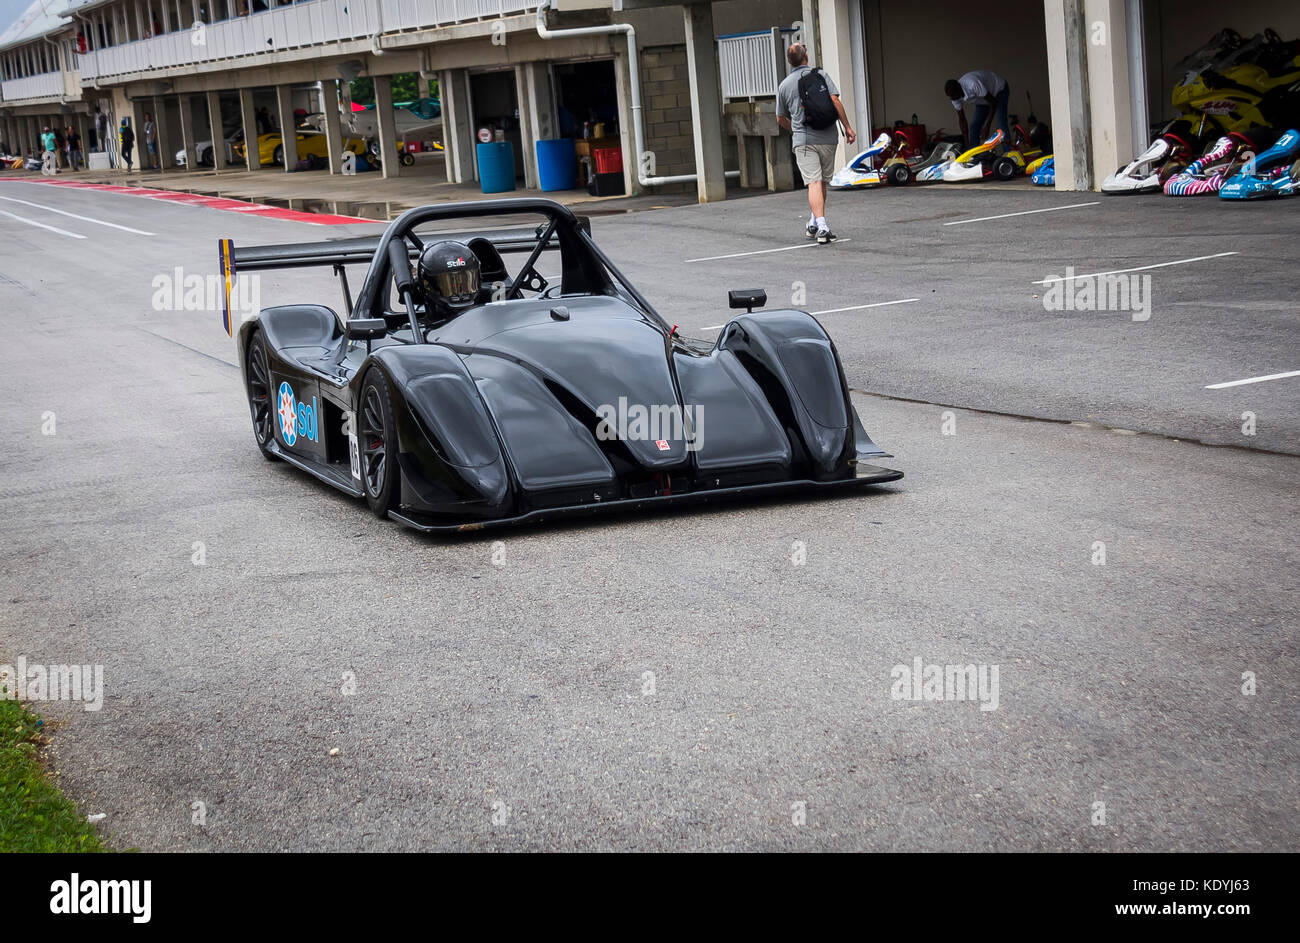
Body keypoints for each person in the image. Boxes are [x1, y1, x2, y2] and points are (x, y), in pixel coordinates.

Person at [775, 43, 855, 245]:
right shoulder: (820, 75)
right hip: (828, 137)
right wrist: (847, 127)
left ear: (788, 61)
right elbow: (835, 101)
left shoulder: (784, 85)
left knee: (814, 182)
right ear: (806, 57)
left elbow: (780, 118)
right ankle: (815, 223)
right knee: (821, 183)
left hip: (804, 140)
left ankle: (821, 226)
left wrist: (795, 130)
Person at [945, 70, 1010, 149]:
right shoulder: (954, 97)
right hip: (983, 98)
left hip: (998, 90)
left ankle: (1009, 154)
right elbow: (962, 120)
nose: (952, 99)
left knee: (1001, 122)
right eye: (950, 97)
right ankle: (972, 154)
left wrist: (987, 126)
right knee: (974, 126)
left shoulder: (972, 84)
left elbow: (993, 102)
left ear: (959, 88)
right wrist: (967, 144)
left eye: (953, 96)